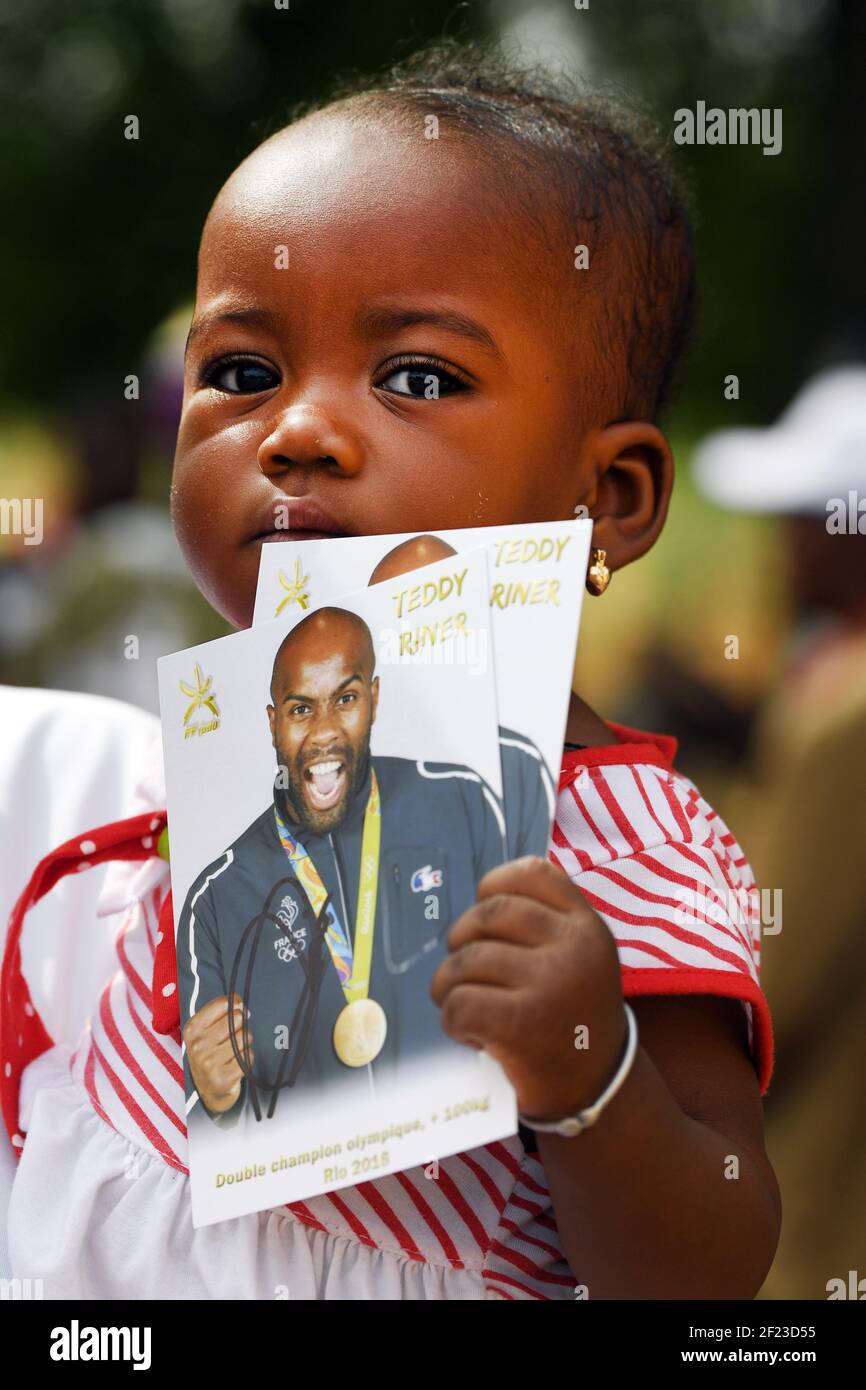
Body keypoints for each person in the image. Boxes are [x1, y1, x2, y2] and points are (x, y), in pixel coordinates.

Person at [2, 38, 779, 1300]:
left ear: (608, 496)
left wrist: (585, 1063)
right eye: (241, 373)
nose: (296, 430)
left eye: (416, 376)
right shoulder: (190, 772)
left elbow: (711, 1265)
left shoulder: (611, 842)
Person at [178, 606, 505, 1126]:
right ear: (273, 723)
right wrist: (214, 1098)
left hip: (477, 1170)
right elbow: (206, 1139)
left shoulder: (460, 803)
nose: (324, 732)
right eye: (301, 709)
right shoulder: (216, 899)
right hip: (323, 1205)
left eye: (346, 700)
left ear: (374, 699)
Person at [693, 364, 866, 1298]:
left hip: (816, 1229)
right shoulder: (826, 681)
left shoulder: (848, 714)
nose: (785, 543)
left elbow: (768, 985)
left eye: (806, 517)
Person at [368, 534, 556, 858]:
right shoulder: (351, 774)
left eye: (442, 627)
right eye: (398, 635)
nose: (420, 648)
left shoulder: (520, 763)